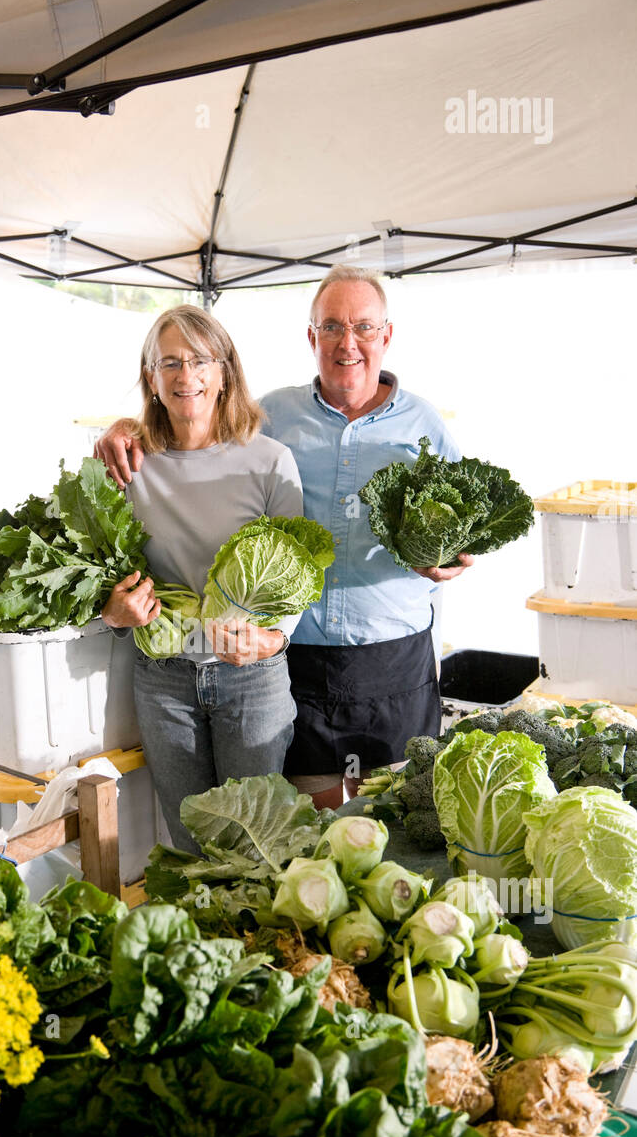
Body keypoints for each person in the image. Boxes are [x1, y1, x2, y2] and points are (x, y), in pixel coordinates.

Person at [96, 266, 473, 812]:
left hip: (394, 661)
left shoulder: (426, 425)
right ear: (311, 336)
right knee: (299, 829)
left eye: (364, 327)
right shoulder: (272, 420)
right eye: (332, 327)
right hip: (299, 662)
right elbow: (198, 429)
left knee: (397, 816)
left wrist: (452, 559)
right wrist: (125, 427)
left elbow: (466, 527)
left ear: (386, 335)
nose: (349, 343)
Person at [99, 304, 304, 851]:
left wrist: (274, 636)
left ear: (224, 373)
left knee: (255, 845)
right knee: (191, 844)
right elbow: (102, 563)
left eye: (199, 361)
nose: (185, 376)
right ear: (151, 377)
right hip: (164, 679)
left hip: (251, 678)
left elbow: (298, 568)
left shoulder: (270, 461)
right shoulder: (128, 463)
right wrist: (112, 614)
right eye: (169, 362)